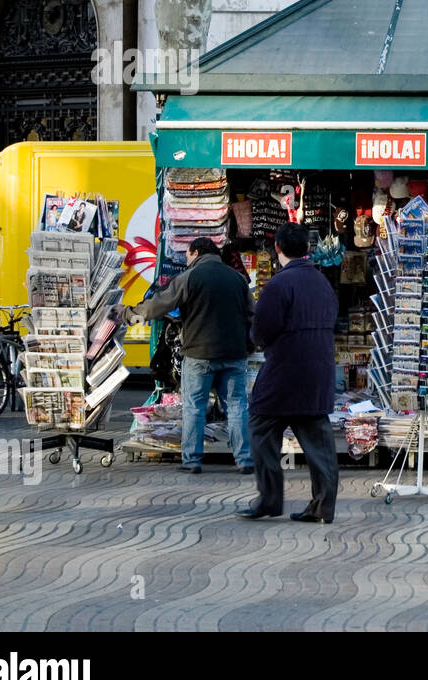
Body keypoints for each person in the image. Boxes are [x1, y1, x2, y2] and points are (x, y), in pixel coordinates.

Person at [238, 223, 340, 523]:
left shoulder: (279, 285)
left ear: (278, 248)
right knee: (318, 439)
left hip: (284, 371)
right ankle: (323, 505)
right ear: (308, 249)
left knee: (260, 427)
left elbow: (261, 332)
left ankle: (269, 499)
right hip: (319, 369)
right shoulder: (322, 283)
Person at [136, 236, 253, 475]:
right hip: (234, 354)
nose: (186, 260)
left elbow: (158, 304)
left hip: (199, 354)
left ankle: (192, 461)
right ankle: (244, 460)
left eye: (188, 255)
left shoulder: (189, 277)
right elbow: (253, 314)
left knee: (194, 407)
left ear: (197, 253)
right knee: (236, 406)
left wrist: (131, 314)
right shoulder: (238, 279)